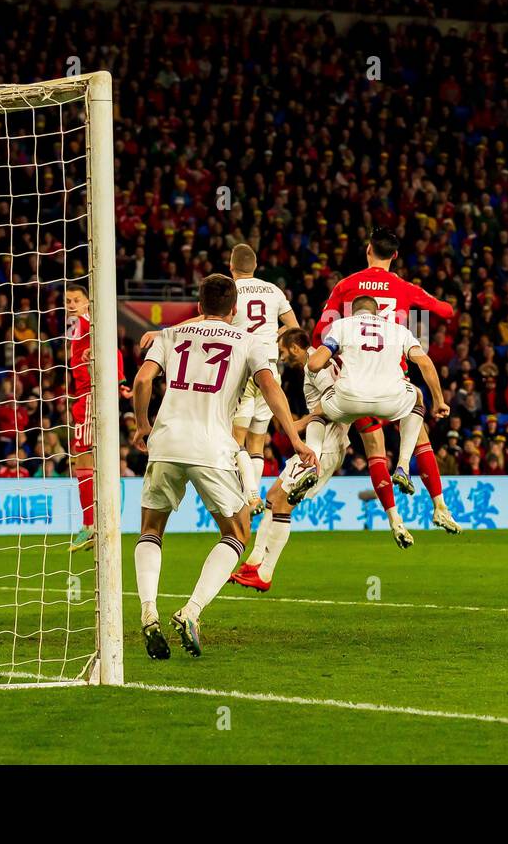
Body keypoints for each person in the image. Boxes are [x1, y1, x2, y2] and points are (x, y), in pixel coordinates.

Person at [128, 274, 316, 658]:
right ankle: (191, 611)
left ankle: (149, 610)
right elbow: (270, 389)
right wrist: (295, 440)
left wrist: (143, 425)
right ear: (235, 310)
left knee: (151, 529)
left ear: (198, 307)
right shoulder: (247, 342)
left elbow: (143, 379)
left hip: (165, 442)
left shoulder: (169, 336)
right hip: (212, 446)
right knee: (237, 531)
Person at [313, 226, 461, 533]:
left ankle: (394, 520)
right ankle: (439, 506)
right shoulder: (405, 287)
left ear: (368, 249)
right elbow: (445, 311)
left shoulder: (346, 285)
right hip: (394, 376)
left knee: (374, 447)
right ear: (394, 255)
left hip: (354, 378)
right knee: (420, 437)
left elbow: (319, 335)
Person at [308, 295, 450, 547]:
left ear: (353, 312)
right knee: (417, 398)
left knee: (322, 411)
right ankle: (404, 466)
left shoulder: (341, 325)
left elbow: (315, 362)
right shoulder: (398, 329)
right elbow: (425, 362)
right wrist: (439, 400)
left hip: (349, 399)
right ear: (380, 313)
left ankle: (312, 458)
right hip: (390, 398)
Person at [231, 326, 352, 591]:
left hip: (325, 447)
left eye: (285, 353)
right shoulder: (317, 364)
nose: (283, 358)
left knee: (283, 505)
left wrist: (298, 425)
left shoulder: (317, 366)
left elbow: (338, 403)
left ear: (296, 348)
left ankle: (265, 573)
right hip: (317, 444)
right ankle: (253, 561)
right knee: (273, 497)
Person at [228, 243, 299, 514]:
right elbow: (294, 327)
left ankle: (251, 495)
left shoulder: (230, 290)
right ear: (255, 267)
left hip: (242, 370)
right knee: (257, 441)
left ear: (231, 266)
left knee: (237, 438)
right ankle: (252, 496)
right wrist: (276, 335)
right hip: (270, 371)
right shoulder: (273, 290)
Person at [66, 282, 131, 552]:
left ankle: (91, 524)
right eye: (68, 300)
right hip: (83, 397)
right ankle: (95, 521)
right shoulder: (74, 326)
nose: (71, 304)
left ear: (87, 303)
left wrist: (118, 380)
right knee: (85, 460)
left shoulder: (87, 322)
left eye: (76, 300)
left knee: (87, 459)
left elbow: (112, 350)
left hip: (91, 396)